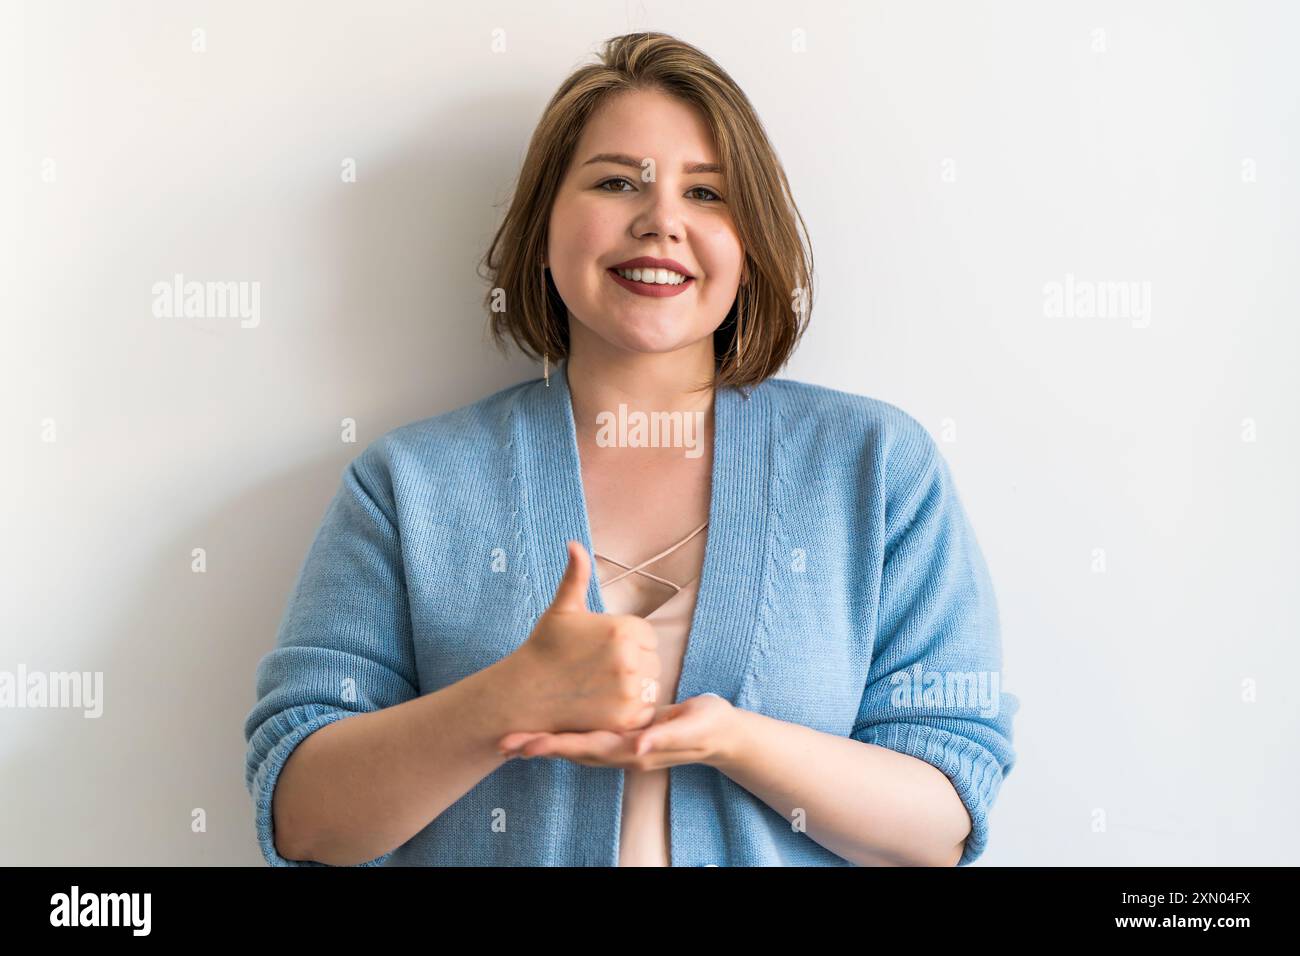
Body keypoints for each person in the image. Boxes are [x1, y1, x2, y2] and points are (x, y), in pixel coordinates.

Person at [243, 31, 1018, 867]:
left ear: (750, 247)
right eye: (617, 182)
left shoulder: (876, 469)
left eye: (708, 195)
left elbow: (945, 822)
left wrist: (733, 739)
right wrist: (504, 702)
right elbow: (303, 815)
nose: (661, 222)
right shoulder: (409, 484)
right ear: (545, 227)